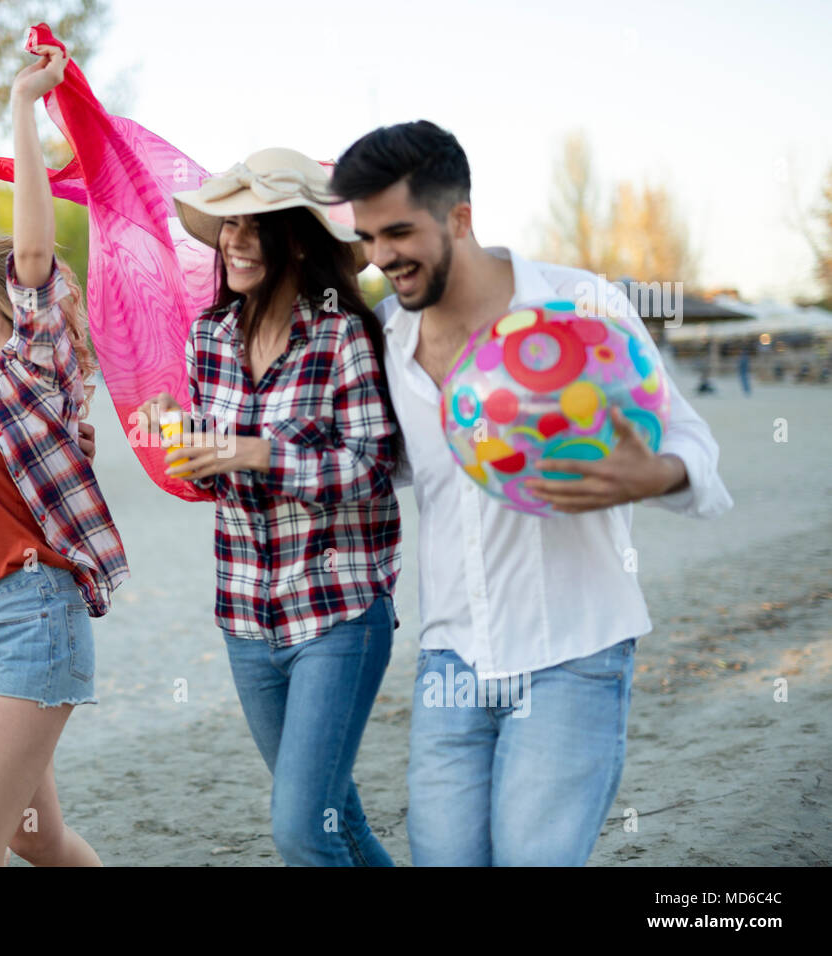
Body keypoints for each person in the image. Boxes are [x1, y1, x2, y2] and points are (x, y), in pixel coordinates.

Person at [331, 120, 734, 866]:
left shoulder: (581, 305)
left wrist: (656, 475)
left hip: (573, 652)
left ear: (460, 217)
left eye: (398, 232)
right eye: (368, 239)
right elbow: (377, 463)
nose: (383, 258)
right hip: (450, 656)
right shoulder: (383, 338)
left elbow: (692, 443)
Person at [136, 147, 403, 866]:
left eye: (256, 225)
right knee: (335, 818)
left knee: (298, 828)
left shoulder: (344, 334)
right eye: (228, 224)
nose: (235, 240)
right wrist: (182, 432)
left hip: (339, 613)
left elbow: (372, 466)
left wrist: (252, 450)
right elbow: (210, 477)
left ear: (297, 237)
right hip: (246, 619)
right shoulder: (208, 338)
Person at [0, 45, 127, 867]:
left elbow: (33, 255)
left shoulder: (34, 367)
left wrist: (22, 106)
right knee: (32, 836)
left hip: (29, 616)